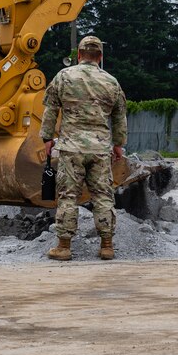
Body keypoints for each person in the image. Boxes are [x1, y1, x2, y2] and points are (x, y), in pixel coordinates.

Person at [40, 35, 127, 262]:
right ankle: (107, 245)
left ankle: (64, 246)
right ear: (100, 56)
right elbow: (119, 116)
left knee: (68, 196)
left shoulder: (63, 77)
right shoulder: (111, 82)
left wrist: (47, 138)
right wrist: (118, 144)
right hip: (100, 149)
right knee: (103, 196)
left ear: (78, 55)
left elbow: (50, 109)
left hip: (71, 148)